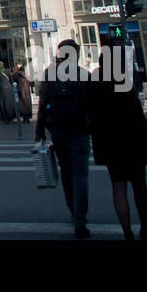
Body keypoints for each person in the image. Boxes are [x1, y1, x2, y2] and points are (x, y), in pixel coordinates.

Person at [90, 46, 147, 240]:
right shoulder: (122, 82)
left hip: (109, 143)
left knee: (118, 187)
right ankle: (144, 223)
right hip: (131, 141)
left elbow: (90, 115)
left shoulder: (94, 85)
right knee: (139, 186)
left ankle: (127, 232)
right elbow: (137, 115)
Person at [35, 39, 93, 238]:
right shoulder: (83, 74)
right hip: (80, 132)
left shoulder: (50, 74)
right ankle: (80, 217)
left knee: (67, 174)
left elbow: (42, 105)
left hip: (58, 132)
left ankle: (73, 211)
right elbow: (91, 105)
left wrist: (39, 132)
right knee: (81, 176)